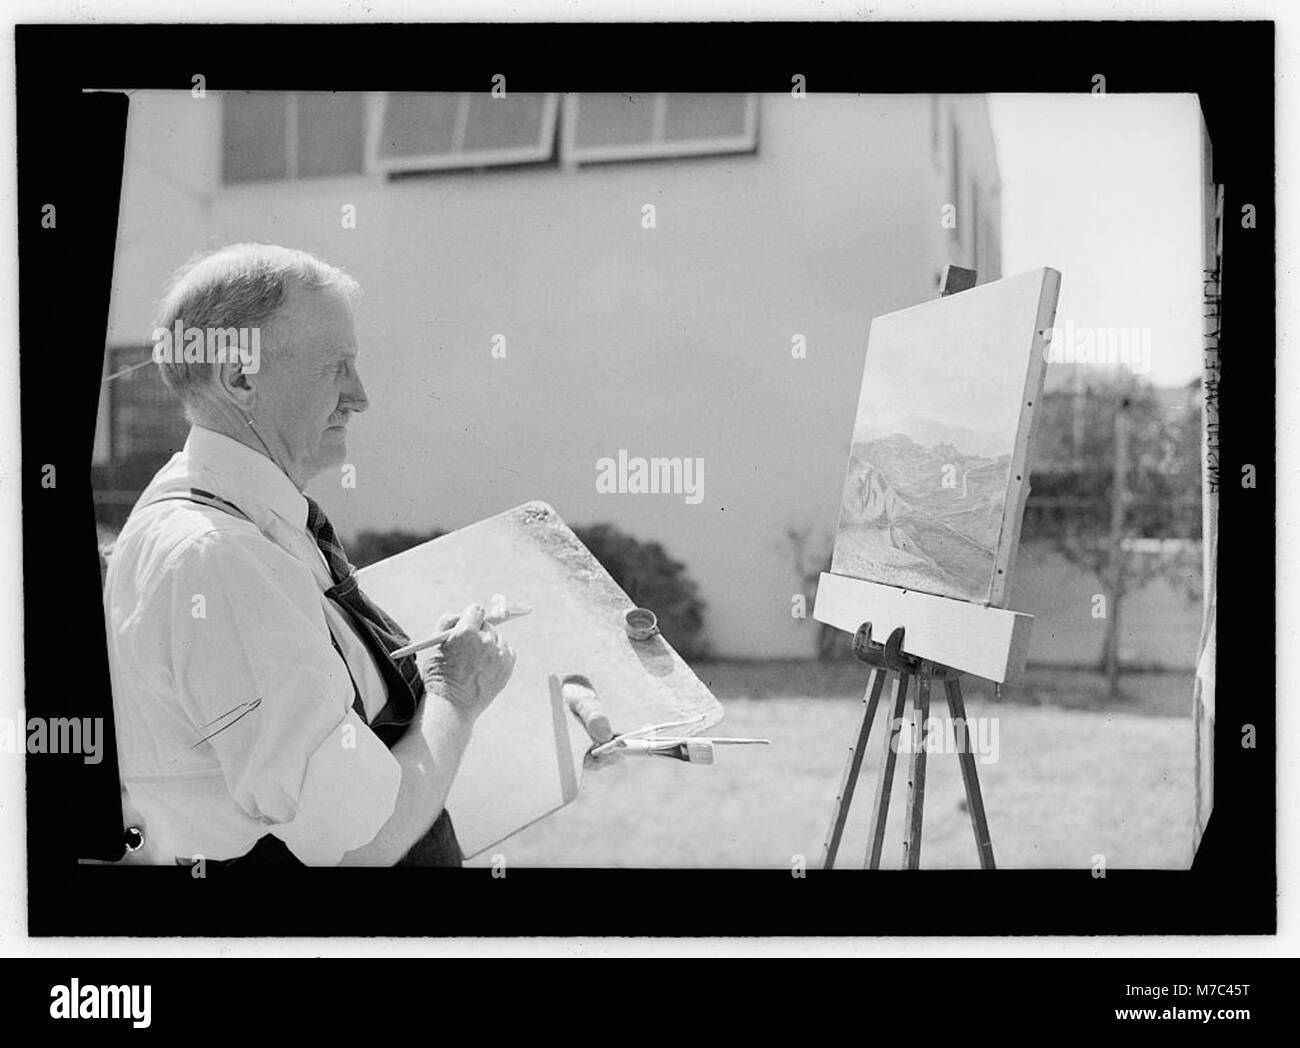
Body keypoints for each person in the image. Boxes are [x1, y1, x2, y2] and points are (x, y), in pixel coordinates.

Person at [103, 243, 515, 866]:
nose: (361, 396)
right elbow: (361, 844)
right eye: (337, 367)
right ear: (240, 377)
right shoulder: (218, 556)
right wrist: (455, 693)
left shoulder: (241, 516)